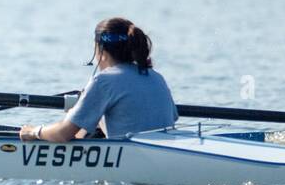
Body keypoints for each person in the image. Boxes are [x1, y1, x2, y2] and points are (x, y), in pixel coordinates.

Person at [20, 18, 177, 142]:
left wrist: (34, 132)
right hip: (168, 152)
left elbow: (63, 134)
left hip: (130, 160)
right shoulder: (156, 77)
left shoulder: (105, 80)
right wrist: (90, 113)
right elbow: (170, 117)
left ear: (101, 52)